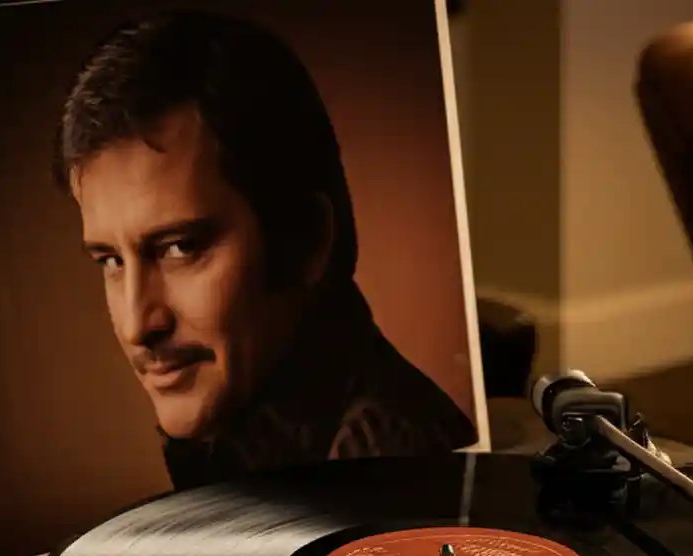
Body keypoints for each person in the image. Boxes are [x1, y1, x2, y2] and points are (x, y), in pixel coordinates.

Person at [52, 9, 477, 489]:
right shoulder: (255, 449)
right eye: (110, 260)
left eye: (180, 248)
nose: (137, 325)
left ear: (306, 239)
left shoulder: (392, 478)